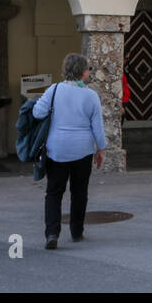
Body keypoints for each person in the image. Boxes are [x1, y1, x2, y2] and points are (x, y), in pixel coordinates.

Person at [34, 53, 106, 250]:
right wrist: (101, 149)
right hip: (82, 149)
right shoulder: (91, 95)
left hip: (57, 148)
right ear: (84, 72)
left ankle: (52, 233)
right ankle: (76, 230)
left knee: (54, 192)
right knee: (79, 191)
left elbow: (38, 112)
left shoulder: (54, 90)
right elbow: (97, 127)